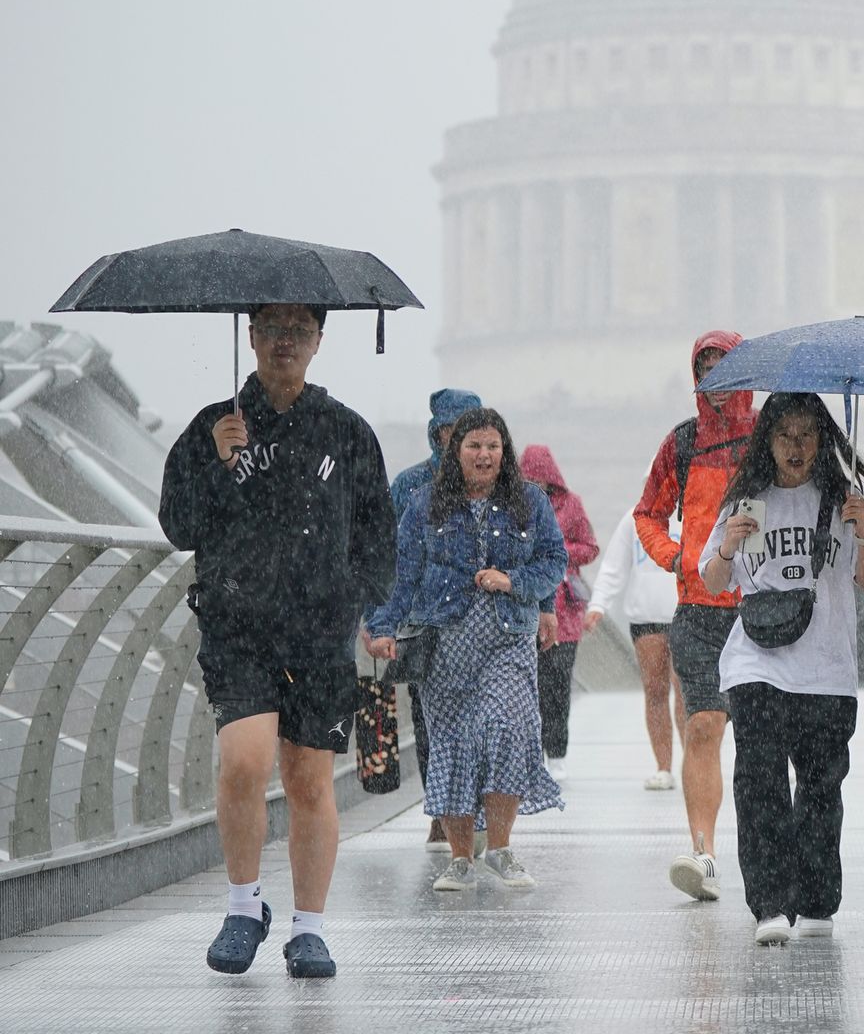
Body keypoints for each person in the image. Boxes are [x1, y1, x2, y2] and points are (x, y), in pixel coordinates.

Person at [160, 303, 396, 979]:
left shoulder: (346, 431)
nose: (284, 341)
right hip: (238, 628)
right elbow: (179, 525)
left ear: (319, 340)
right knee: (245, 761)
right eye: (271, 329)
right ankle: (243, 907)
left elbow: (378, 531)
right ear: (251, 336)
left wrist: (356, 598)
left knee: (309, 780)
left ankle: (309, 929)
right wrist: (217, 461)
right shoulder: (214, 427)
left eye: (299, 330)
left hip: (319, 636)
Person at [698, 393, 864, 946]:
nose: (796, 446)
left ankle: (817, 898)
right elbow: (714, 581)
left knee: (821, 789)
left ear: (822, 440)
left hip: (827, 669)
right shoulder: (747, 500)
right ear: (768, 440)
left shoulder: (843, 501)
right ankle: (770, 904)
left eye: (807, 434)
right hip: (755, 664)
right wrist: (728, 545)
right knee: (760, 785)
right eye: (785, 434)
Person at [369, 408, 568, 893]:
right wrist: (383, 626)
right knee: (453, 743)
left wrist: (514, 581)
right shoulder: (425, 504)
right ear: (455, 452)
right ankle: (460, 858)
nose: (484, 455)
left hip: (508, 638)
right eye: (474, 446)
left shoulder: (529, 501)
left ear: (505, 452)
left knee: (508, 727)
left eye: (493, 446)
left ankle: (499, 847)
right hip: (445, 642)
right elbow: (402, 573)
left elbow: (554, 559)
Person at [635, 330, 757, 900]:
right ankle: (703, 851)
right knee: (703, 725)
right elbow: (648, 513)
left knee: (759, 742)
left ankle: (764, 855)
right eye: (705, 368)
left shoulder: (769, 437)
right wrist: (676, 557)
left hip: (760, 609)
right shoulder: (682, 443)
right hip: (700, 610)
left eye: (723, 365)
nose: (714, 378)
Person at [372, 388, 481, 853]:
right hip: (423, 624)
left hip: (481, 622)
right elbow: (385, 554)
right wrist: (378, 618)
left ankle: (472, 808)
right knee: (431, 721)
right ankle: (440, 810)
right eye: (453, 430)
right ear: (438, 433)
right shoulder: (410, 485)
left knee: (480, 720)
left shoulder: (496, 482)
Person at [588, 509, 690, 786]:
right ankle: (663, 767)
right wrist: (599, 604)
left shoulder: (693, 510)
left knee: (684, 691)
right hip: (646, 617)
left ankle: (692, 764)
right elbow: (614, 565)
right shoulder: (635, 518)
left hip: (686, 611)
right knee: (655, 690)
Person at [520, 444, 599, 772]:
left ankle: (557, 752)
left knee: (558, 686)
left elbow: (590, 548)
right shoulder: (514, 504)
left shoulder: (571, 504)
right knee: (529, 689)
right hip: (527, 611)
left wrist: (557, 551)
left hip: (565, 616)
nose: (536, 485)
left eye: (540, 479)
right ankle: (532, 753)